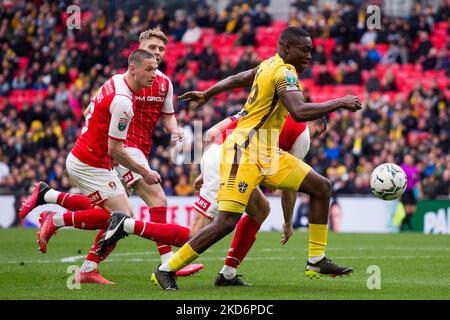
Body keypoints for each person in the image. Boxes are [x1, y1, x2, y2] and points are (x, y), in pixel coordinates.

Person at [139, 26, 361, 290]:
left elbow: (239, 77)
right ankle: (166, 269)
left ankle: (316, 259)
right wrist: (340, 101)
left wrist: (208, 93)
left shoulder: (269, 65)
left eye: (311, 51)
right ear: (286, 47)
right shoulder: (283, 72)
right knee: (225, 222)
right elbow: (299, 112)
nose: (309, 56)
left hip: (267, 151)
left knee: (321, 186)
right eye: (305, 50)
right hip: (243, 153)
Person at [19, 50, 191, 284]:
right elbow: (115, 150)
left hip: (89, 158)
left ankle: (48, 198)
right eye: (149, 69)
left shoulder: (115, 80)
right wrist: (146, 172)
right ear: (133, 68)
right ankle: (55, 219)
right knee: (122, 217)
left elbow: (90, 112)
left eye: (156, 68)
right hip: (89, 163)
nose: (154, 75)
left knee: (113, 215)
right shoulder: (124, 103)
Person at [185, 109, 324, 286]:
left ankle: (228, 273)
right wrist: (288, 223)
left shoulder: (259, 104)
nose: (315, 138)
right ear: (310, 121)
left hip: (226, 157)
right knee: (201, 227)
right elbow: (290, 187)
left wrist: (206, 166)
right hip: (229, 160)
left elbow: (213, 132)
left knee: (260, 209)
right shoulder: (301, 131)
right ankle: (162, 260)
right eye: (317, 132)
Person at [112, 28, 203, 277]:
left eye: (161, 49)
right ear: (140, 47)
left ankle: (54, 213)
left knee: (114, 213)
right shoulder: (122, 82)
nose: (158, 52)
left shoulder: (165, 83)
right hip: (121, 148)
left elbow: (168, 117)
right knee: (158, 200)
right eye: (152, 47)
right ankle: (168, 264)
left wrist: (175, 132)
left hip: (140, 149)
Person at [400, 154, 422, 231]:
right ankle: (410, 227)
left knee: (413, 210)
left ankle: (402, 223)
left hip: (412, 191)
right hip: (404, 191)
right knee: (407, 210)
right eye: (407, 159)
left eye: (409, 159)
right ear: (405, 160)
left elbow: (417, 181)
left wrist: (420, 191)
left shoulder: (414, 169)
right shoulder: (401, 168)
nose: (408, 160)